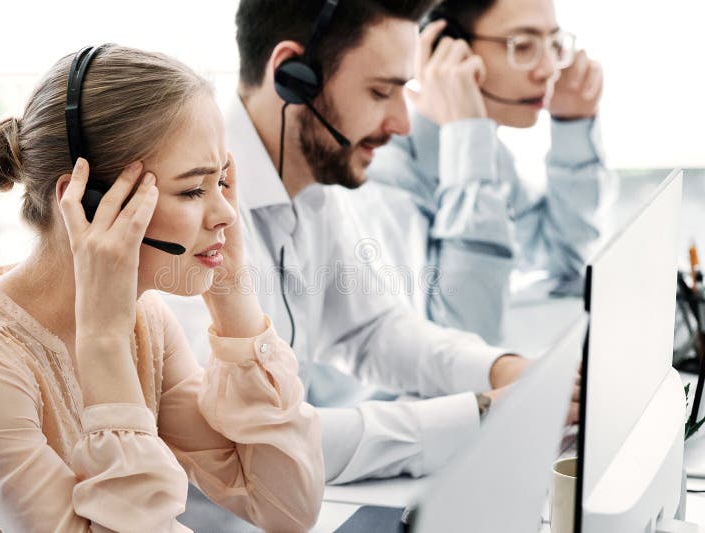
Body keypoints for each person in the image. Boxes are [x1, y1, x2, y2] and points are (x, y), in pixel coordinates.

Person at [0, 45, 323, 532]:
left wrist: (232, 296)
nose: (227, 214)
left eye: (221, 183)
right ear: (85, 203)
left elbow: (286, 509)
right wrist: (102, 340)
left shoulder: (145, 323)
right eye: (192, 189)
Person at [166, 0, 571, 487]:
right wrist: (480, 413)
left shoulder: (312, 183)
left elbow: (372, 331)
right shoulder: (187, 208)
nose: (402, 123)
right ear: (293, 76)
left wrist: (503, 370)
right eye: (382, 91)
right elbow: (252, 436)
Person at [364, 0, 618, 343]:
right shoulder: (381, 171)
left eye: (554, 44)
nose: (548, 70)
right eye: (523, 46)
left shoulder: (488, 154)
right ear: (445, 48)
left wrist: (574, 124)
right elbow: (463, 343)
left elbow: (562, 260)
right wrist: (467, 134)